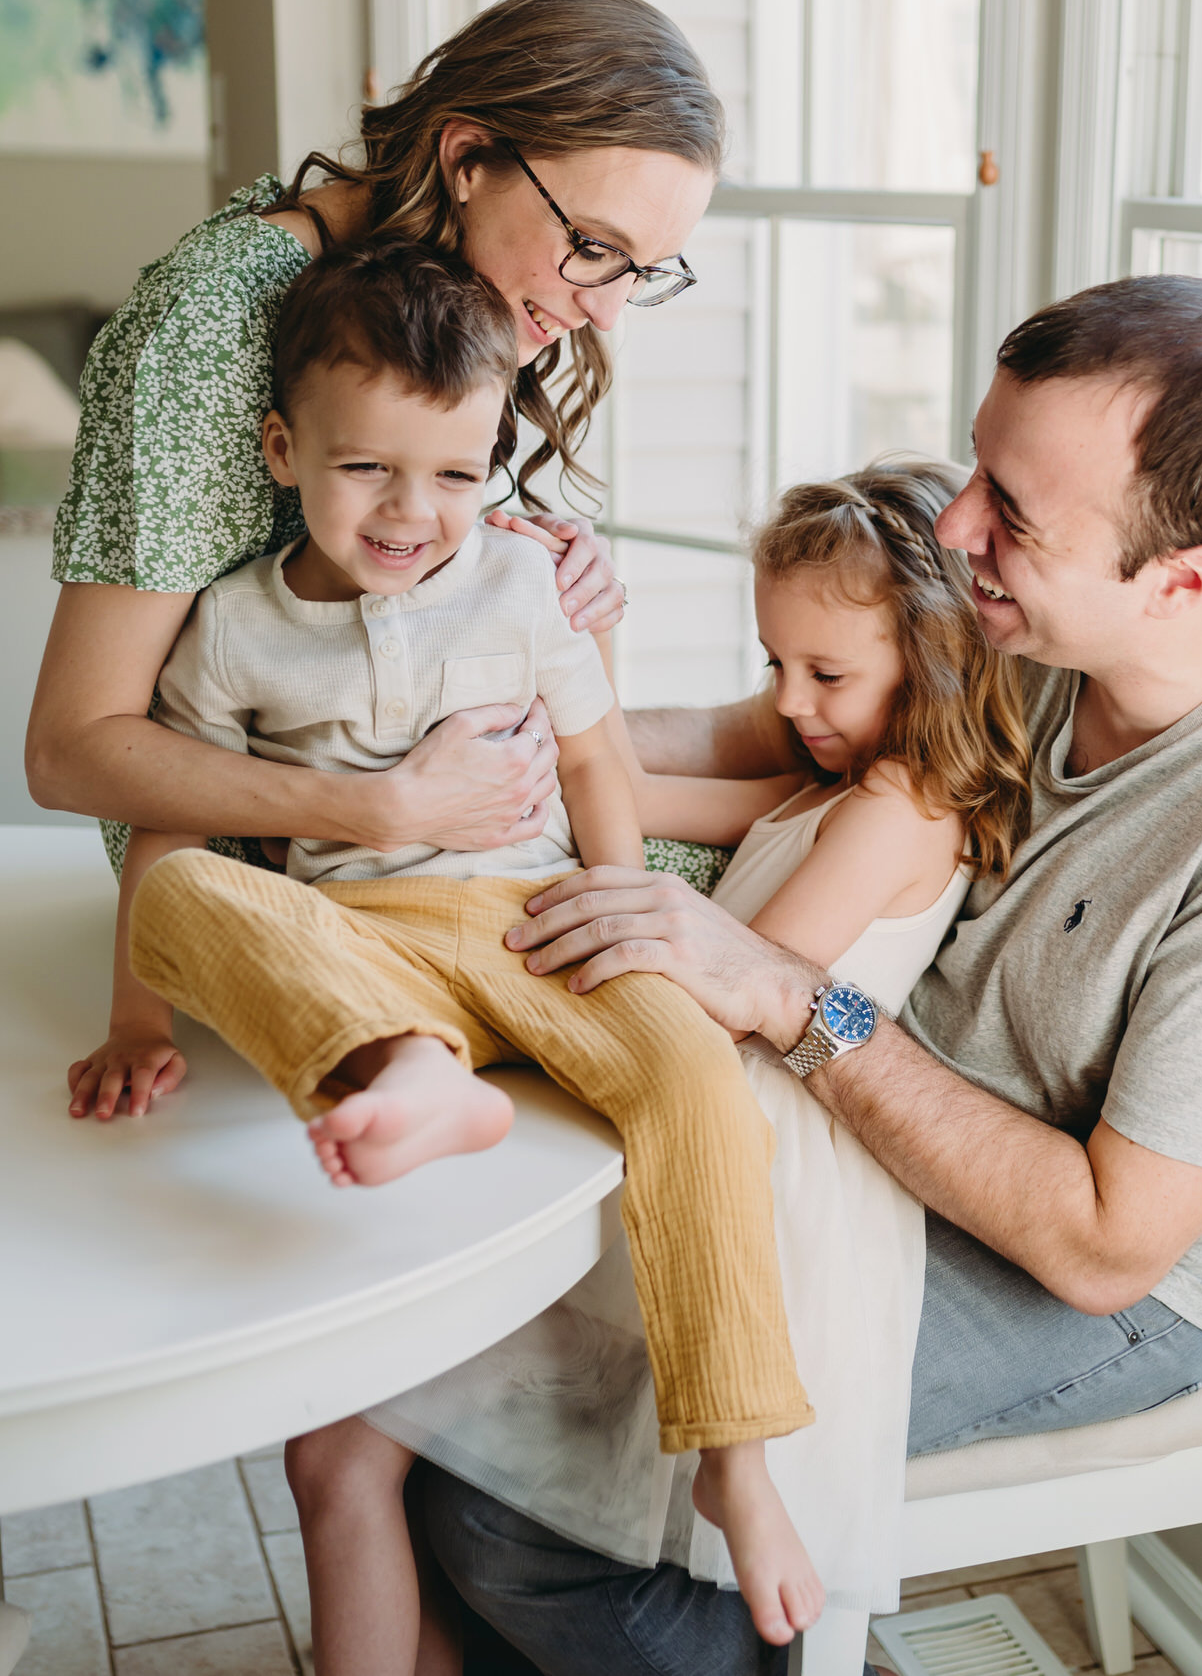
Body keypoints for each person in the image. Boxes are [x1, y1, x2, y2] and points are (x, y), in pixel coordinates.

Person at [421, 276, 1202, 1676]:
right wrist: (509, 723)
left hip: (1094, 1276)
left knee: (503, 1490)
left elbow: (1107, 1241)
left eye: (1012, 512)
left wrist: (793, 994)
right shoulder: (1029, 608)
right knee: (478, 1353)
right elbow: (766, 739)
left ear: (1187, 578)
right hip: (883, 1130)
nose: (958, 524)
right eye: (979, 466)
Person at [69, 241, 823, 1665]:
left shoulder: (523, 589)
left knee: (694, 1084)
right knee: (184, 894)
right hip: (361, 949)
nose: (416, 514)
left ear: (496, 463)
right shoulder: (234, 629)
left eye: (459, 475)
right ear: (285, 449)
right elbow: (171, 831)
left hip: (537, 924)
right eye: (369, 472)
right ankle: (415, 1073)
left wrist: (628, 909)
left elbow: (598, 761)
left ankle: (739, 1456)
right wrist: (139, 1024)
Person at [357, 458, 1032, 1624]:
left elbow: (734, 987)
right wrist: (581, 640)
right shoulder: (824, 788)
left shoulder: (900, 809)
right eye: (776, 663)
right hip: (714, 1113)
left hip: (766, 1158)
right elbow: (608, 788)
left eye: (828, 671)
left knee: (449, 1400)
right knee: (401, 1418)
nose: (791, 700)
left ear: (934, 659)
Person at [27, 0, 721, 894]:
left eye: (639, 272)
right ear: (469, 156)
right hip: (278, 863)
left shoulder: (450, 298)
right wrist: (378, 809)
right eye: (592, 246)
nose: (602, 311)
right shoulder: (212, 323)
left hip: (449, 785)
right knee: (758, 900)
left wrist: (541, 569)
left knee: (786, 834)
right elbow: (69, 751)